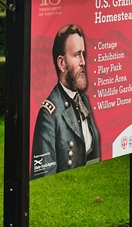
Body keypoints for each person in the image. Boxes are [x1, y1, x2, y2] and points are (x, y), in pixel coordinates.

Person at [31, 24, 101, 179]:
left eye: (83, 54)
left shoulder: (83, 100)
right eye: (77, 55)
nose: (83, 61)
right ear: (61, 63)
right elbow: (44, 176)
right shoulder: (49, 114)